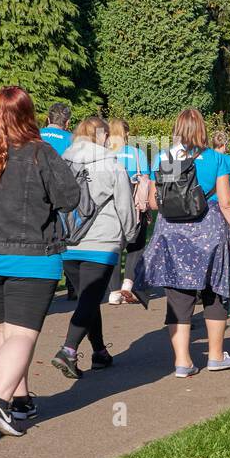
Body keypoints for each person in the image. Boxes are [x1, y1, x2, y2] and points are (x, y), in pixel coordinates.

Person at [0, 86, 80, 436]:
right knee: (23, 334)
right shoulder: (42, 153)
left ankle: (20, 400)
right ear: (29, 114)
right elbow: (69, 197)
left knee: (7, 331)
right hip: (32, 257)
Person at [139, 108, 230, 378]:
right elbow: (226, 202)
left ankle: (183, 362)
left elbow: (155, 202)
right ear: (202, 129)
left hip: (172, 232)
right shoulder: (218, 159)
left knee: (178, 298)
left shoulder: (164, 157)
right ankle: (215, 356)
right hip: (209, 230)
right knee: (215, 292)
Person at [52, 116, 138, 379]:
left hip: (68, 241)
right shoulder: (111, 164)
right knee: (89, 299)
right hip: (102, 239)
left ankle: (99, 351)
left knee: (88, 298)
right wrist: (131, 234)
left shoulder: (61, 162)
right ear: (102, 136)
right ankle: (68, 348)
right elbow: (125, 205)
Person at [106, 118, 151, 307]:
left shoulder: (105, 153)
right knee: (136, 245)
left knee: (113, 248)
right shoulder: (137, 153)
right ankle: (128, 284)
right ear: (126, 134)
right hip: (133, 207)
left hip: (111, 208)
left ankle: (114, 293)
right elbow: (146, 180)